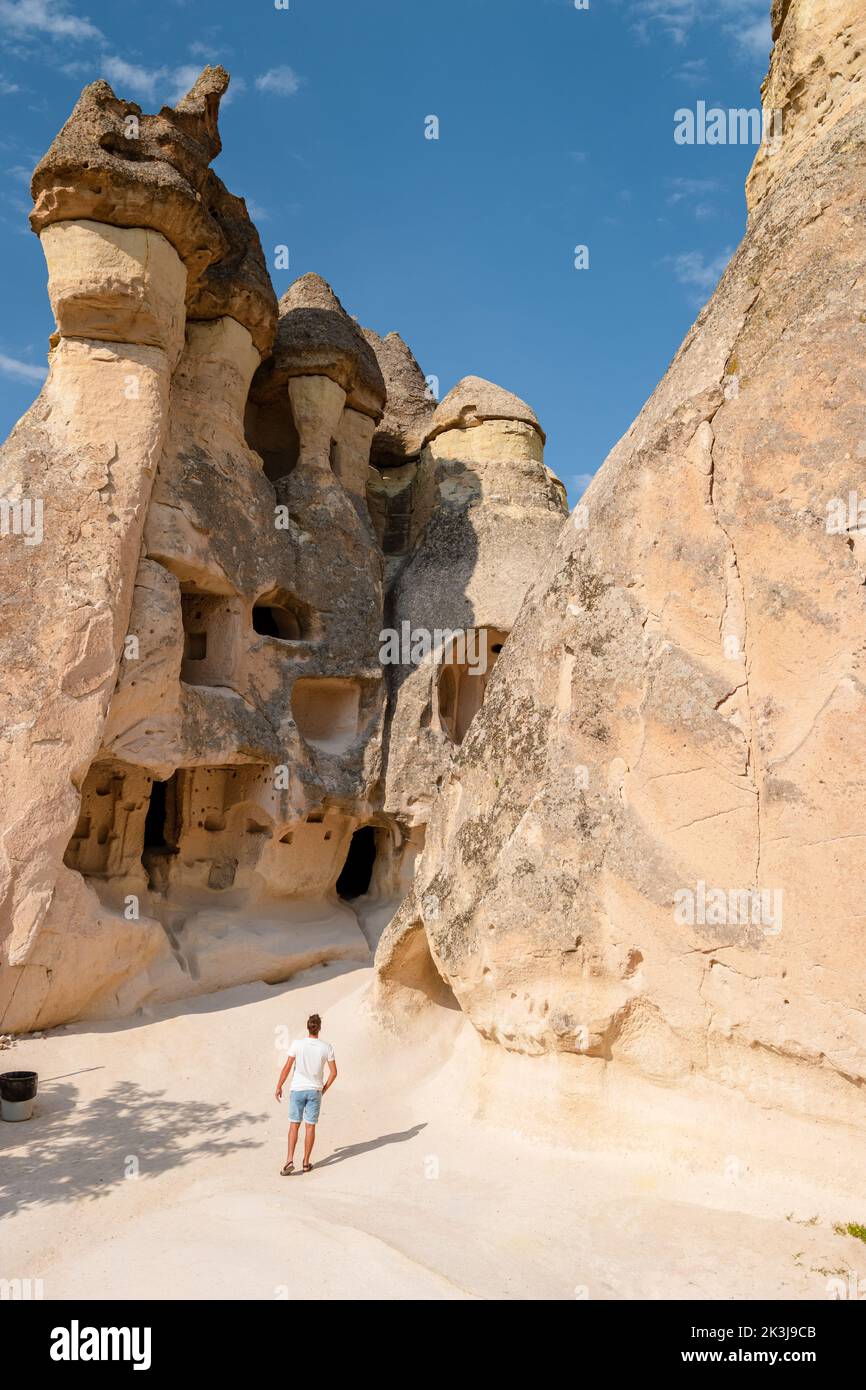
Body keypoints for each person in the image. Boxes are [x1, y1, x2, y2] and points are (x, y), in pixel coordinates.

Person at [275, 1013, 337, 1174]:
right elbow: (334, 1073)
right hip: (314, 1090)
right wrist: (323, 1089)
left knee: (294, 1125)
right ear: (319, 1028)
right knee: (310, 1127)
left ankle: (289, 1160)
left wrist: (279, 1085)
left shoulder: (297, 1044)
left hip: (297, 1089)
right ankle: (306, 1163)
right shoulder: (326, 1047)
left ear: (308, 1027)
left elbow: (287, 1067)